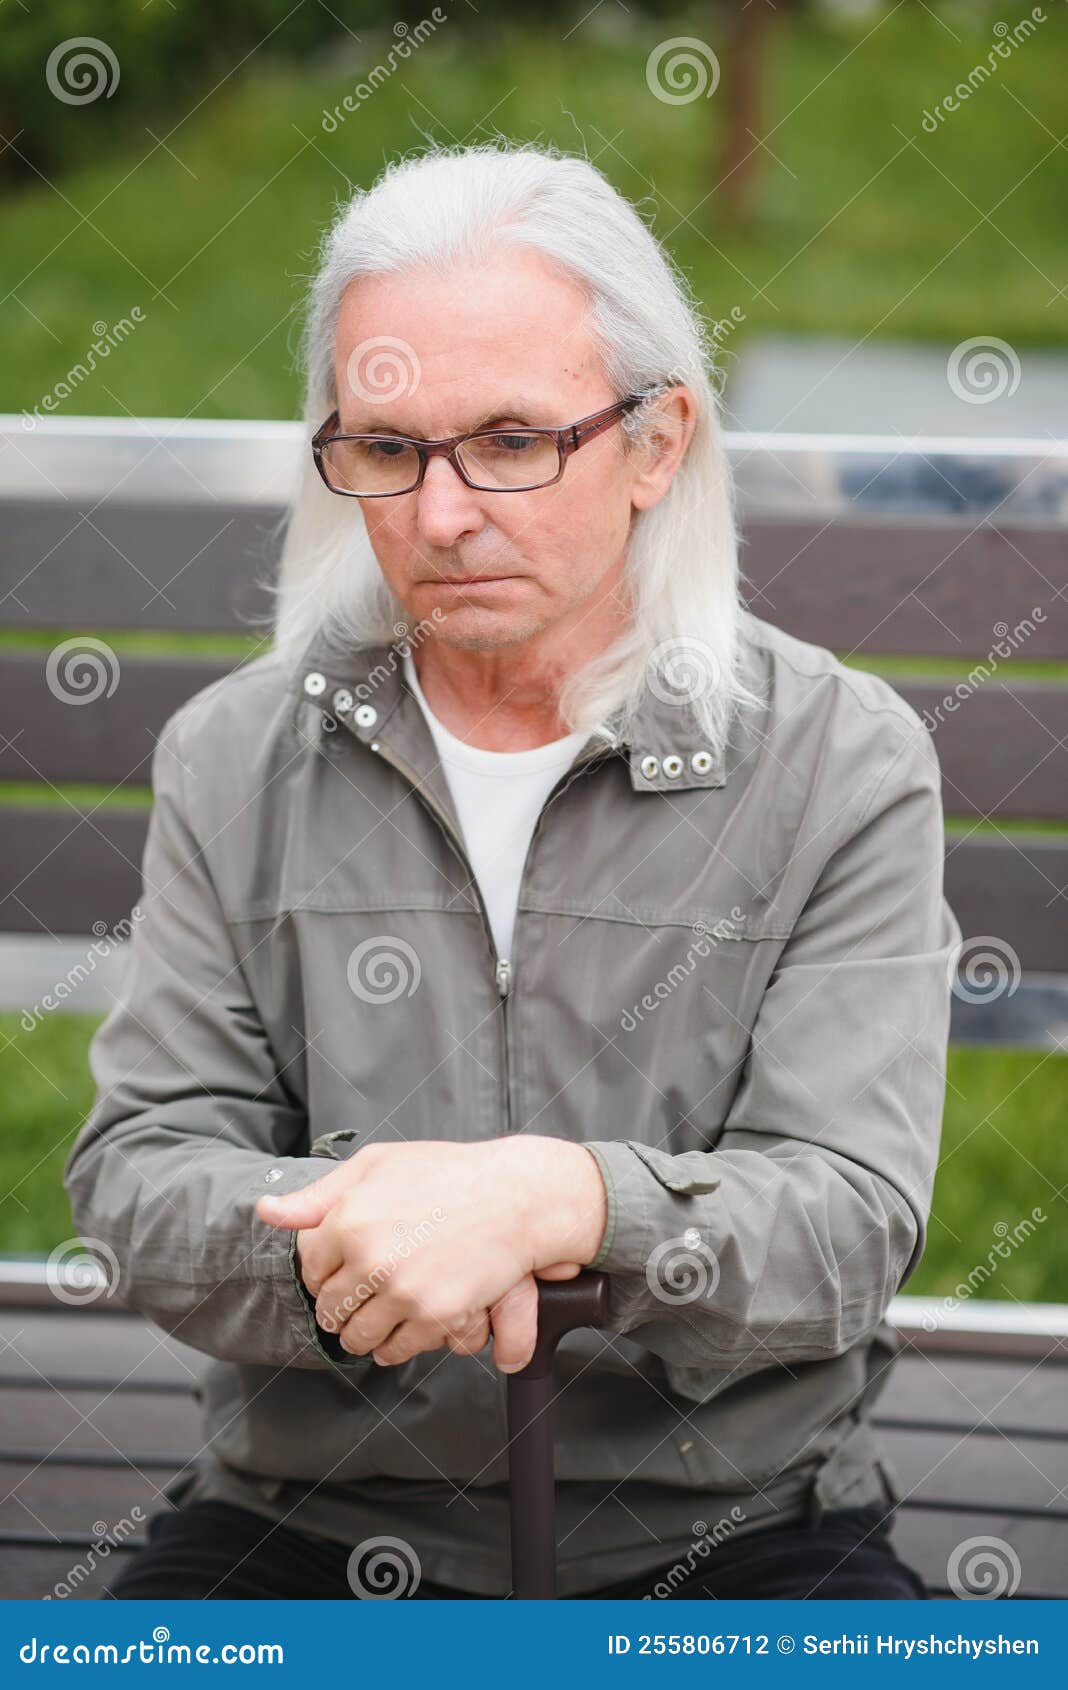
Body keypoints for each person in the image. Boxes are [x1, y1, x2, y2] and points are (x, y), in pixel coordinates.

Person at [65, 139, 960, 1601]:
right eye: (388, 447)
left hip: (734, 1530)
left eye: (511, 440)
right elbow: (143, 1171)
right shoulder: (236, 756)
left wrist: (565, 1202)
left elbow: (847, 1221)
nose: (439, 514)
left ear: (657, 445)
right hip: (306, 1520)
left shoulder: (836, 761)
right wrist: (379, 1245)